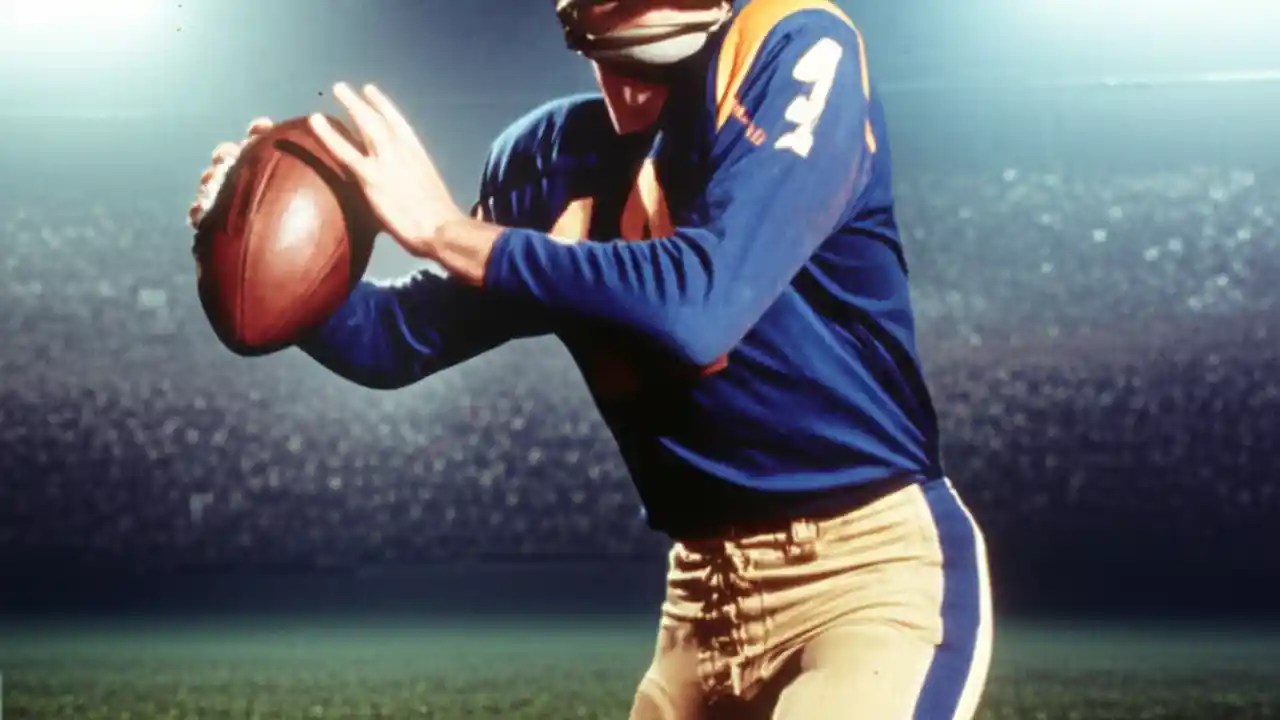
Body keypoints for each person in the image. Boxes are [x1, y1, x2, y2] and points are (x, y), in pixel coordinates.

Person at [188, 1, 991, 717]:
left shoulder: (794, 46)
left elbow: (700, 306)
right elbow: (396, 339)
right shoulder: (547, 157)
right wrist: (252, 257)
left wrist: (446, 232)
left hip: (863, 580)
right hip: (700, 604)